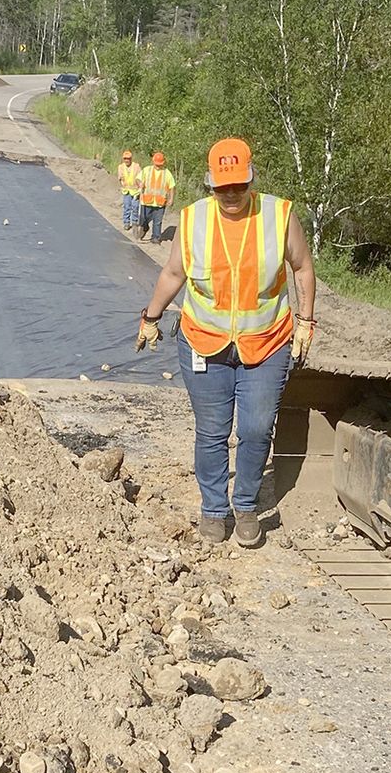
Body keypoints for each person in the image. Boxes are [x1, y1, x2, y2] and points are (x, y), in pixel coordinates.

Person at [134, 137, 317, 547]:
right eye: (222, 187)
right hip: (204, 342)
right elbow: (174, 274)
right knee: (212, 431)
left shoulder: (279, 215)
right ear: (210, 183)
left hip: (266, 342)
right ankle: (214, 510)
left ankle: (246, 505)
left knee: (256, 429)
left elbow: (303, 267)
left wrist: (305, 322)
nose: (231, 194)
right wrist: (151, 317)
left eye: (239, 185)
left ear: (251, 179)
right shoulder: (194, 219)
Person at [136, 151, 176, 244]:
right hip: (146, 201)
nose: (158, 166)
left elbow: (172, 187)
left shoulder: (167, 173)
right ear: (153, 162)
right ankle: (144, 227)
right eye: (156, 164)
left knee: (157, 222)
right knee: (143, 219)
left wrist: (171, 199)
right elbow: (137, 179)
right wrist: (139, 183)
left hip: (160, 203)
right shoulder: (147, 170)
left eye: (159, 164)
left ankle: (155, 237)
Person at [117, 150, 143, 231]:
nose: (126, 160)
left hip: (135, 191)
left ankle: (134, 222)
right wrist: (122, 184)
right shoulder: (121, 167)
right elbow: (120, 178)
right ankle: (126, 223)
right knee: (127, 207)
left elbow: (140, 177)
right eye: (125, 159)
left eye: (128, 158)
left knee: (135, 207)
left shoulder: (136, 166)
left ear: (131, 159)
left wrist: (140, 188)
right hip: (126, 191)